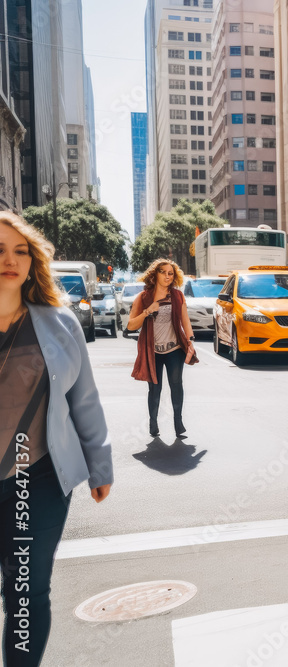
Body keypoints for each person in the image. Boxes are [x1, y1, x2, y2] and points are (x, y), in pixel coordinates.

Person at [0, 212, 113, 666]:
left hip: (37, 480)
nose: (10, 260)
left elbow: (84, 399)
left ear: (33, 262)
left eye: (20, 251)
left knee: (26, 594)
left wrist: (99, 466)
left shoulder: (59, 323)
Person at [128, 259, 196, 438]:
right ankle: (153, 423)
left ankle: (178, 422)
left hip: (175, 349)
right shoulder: (143, 298)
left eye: (170, 273)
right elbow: (131, 325)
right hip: (153, 351)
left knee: (176, 385)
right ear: (154, 275)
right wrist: (148, 310)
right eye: (163, 272)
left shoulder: (177, 296)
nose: (167, 276)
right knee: (155, 388)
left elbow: (185, 320)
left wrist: (190, 340)